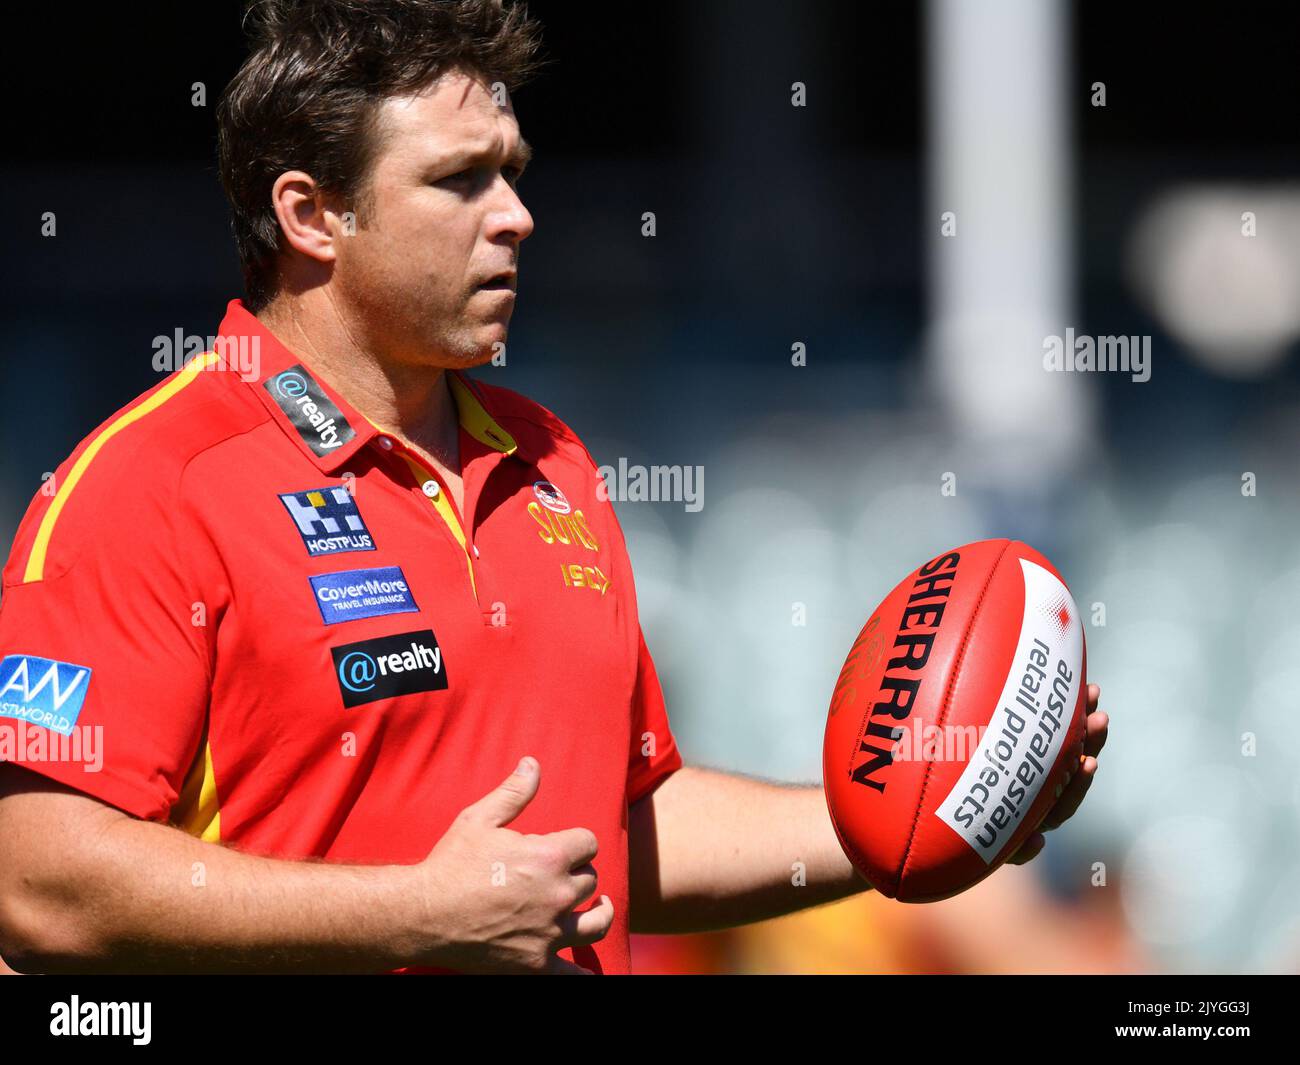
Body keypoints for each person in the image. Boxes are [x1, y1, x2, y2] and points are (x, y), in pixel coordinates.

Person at [0, 0, 1107, 974]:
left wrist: (925, 816)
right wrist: (413, 917)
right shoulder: (152, 484)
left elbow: (621, 828)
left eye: (513, 173)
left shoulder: (556, 468)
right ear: (309, 216)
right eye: (457, 180)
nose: (515, 215)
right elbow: (35, 882)